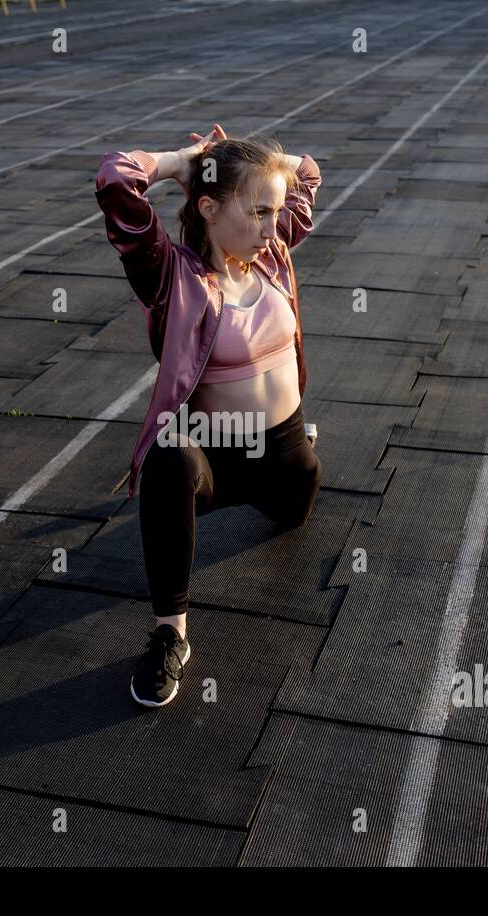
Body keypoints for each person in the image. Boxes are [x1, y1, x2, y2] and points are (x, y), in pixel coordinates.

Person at [94, 123, 323, 707]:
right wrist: (181, 160)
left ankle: (299, 456)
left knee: (297, 511)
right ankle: (171, 633)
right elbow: (116, 180)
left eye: (275, 211)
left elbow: (309, 172)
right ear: (208, 208)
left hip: (286, 454)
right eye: (257, 211)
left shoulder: (270, 250)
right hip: (215, 448)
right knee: (170, 453)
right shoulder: (171, 276)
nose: (275, 227)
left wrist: (256, 161)